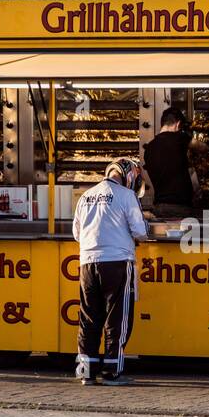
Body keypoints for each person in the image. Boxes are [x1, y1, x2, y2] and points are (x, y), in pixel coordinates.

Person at [72, 157, 148, 385]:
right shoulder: (127, 196)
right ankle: (112, 372)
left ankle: (86, 371)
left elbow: (76, 233)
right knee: (117, 318)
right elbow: (140, 231)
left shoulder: (86, 196)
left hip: (87, 262)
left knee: (88, 317)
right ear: (130, 176)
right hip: (117, 262)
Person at [144, 107, 205, 219]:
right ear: (178, 124)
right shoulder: (179, 138)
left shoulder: (149, 148)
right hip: (181, 209)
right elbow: (202, 147)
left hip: (159, 208)